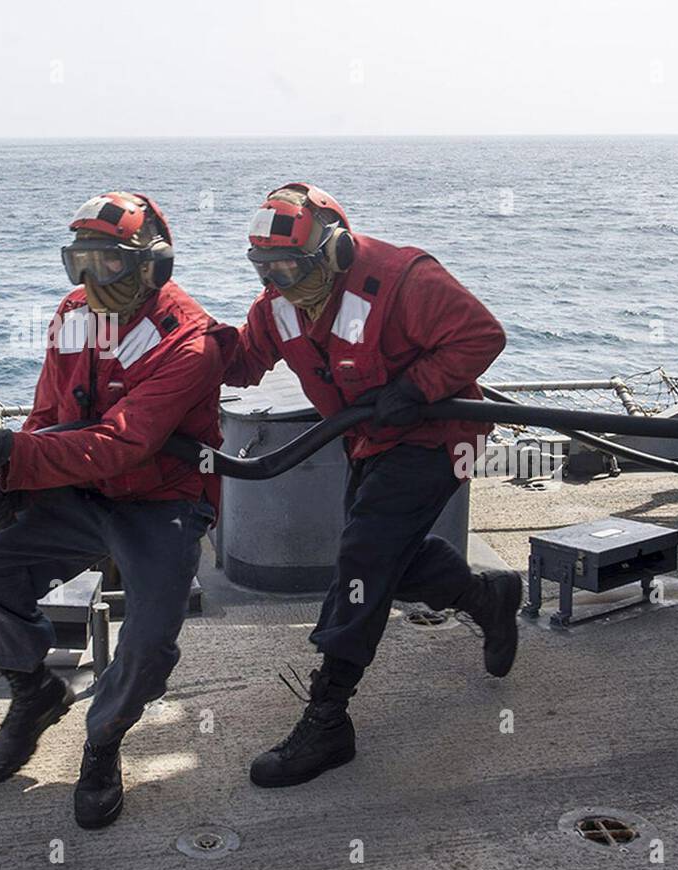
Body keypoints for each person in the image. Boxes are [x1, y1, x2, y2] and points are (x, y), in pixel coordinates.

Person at [0, 192, 228, 828]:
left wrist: (5, 450)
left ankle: (104, 740)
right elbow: (48, 413)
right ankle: (33, 689)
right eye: (80, 263)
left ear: (153, 265)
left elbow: (122, 444)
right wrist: (7, 479)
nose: (91, 280)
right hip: (79, 491)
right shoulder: (73, 313)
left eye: (108, 263)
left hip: (160, 502)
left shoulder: (190, 341)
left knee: (149, 639)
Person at [222, 182, 520, 787]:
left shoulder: (404, 278)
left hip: (437, 436)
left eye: (291, 269)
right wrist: (168, 353)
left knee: (363, 557)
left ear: (333, 252)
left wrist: (415, 389)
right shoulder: (278, 304)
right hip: (368, 440)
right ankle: (484, 598)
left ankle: (328, 716)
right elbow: (240, 362)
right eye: (267, 271)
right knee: (387, 561)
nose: (281, 284)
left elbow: (482, 335)